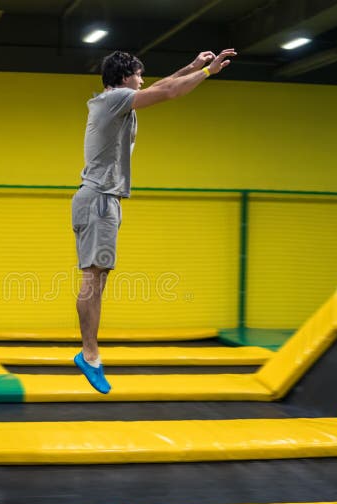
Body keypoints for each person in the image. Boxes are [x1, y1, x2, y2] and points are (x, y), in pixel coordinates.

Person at [72, 48, 237, 394]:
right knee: (93, 279)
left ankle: (90, 353)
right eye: (138, 74)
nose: (142, 80)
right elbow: (168, 92)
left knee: (97, 279)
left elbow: (161, 86)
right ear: (124, 77)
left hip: (104, 200)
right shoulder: (113, 99)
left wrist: (192, 65)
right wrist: (208, 73)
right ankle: (89, 354)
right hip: (99, 200)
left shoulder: (117, 100)